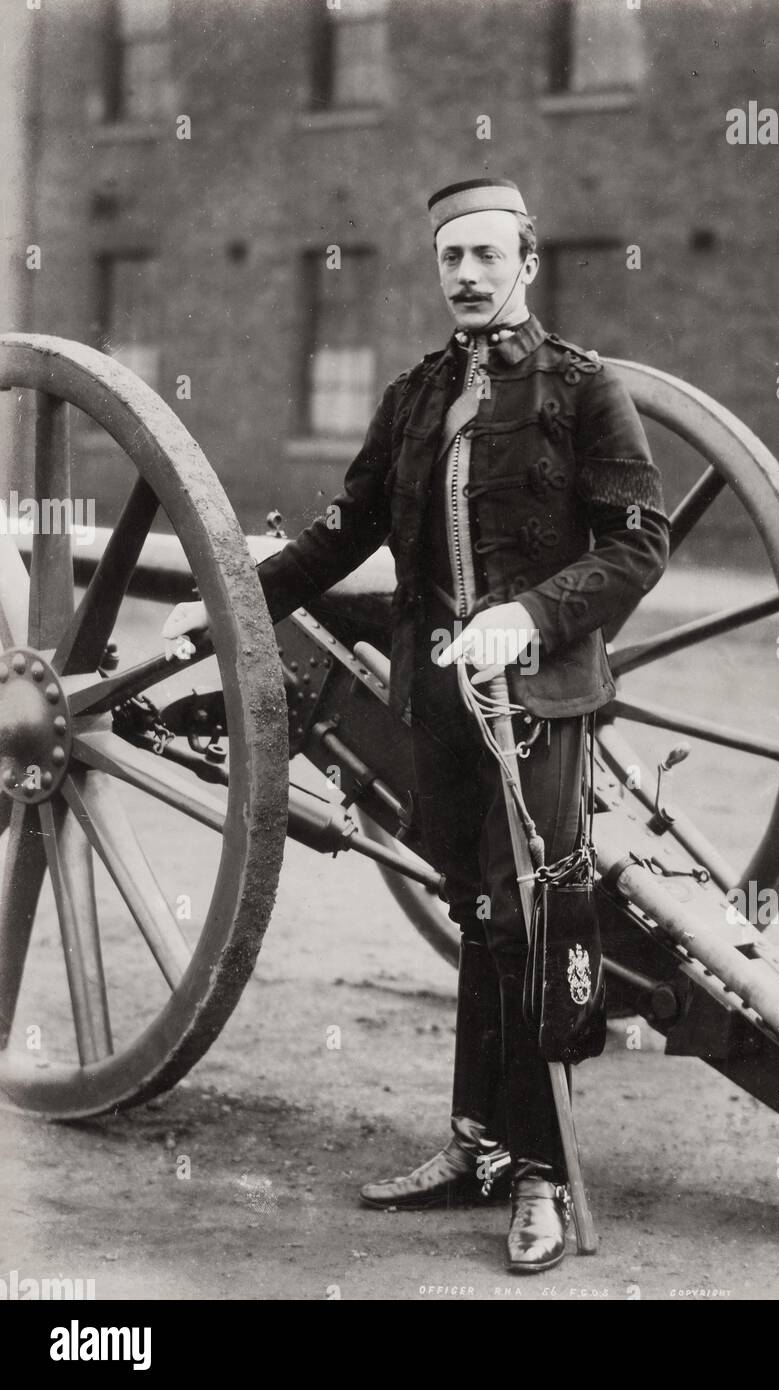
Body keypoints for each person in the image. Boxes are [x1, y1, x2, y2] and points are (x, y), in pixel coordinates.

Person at [162, 178, 669, 1273]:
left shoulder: (586, 392)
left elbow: (638, 543)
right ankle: (475, 1145)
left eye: (489, 255)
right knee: (477, 909)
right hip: (435, 702)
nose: (470, 275)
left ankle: (537, 1173)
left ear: (527, 260)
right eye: (452, 259)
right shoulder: (413, 395)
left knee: (536, 921)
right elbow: (339, 536)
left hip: (535, 702)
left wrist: (530, 619)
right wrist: (222, 606)